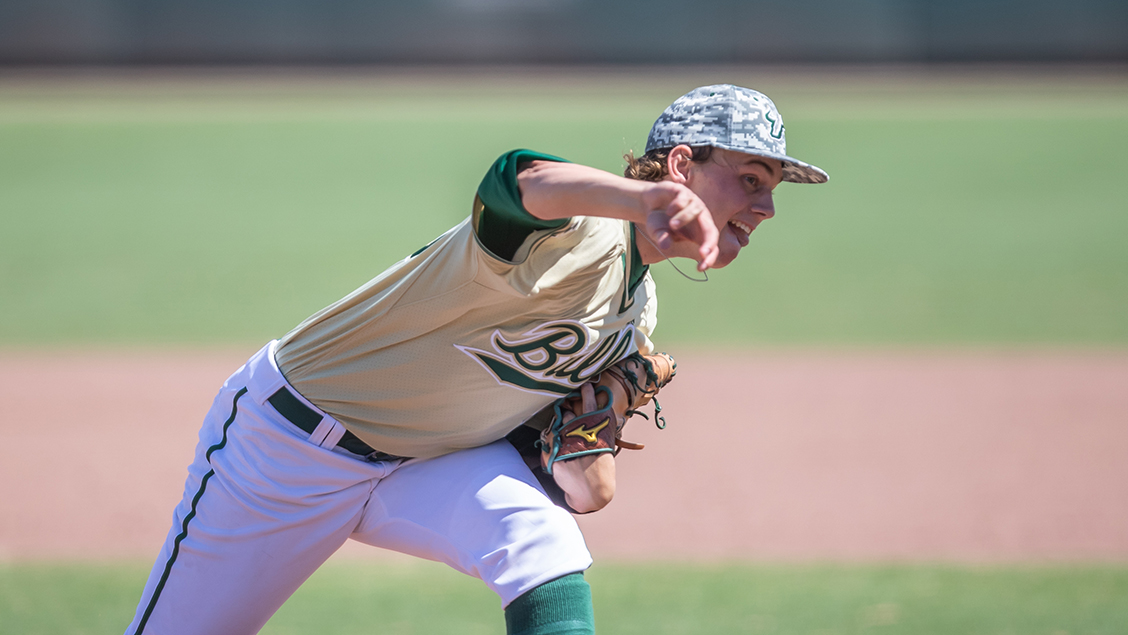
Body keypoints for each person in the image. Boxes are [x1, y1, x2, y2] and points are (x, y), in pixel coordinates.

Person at [125, 84, 828, 635]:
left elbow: (583, 487)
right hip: (286, 450)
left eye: (771, 188)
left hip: (420, 465)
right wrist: (643, 199)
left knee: (546, 544)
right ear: (682, 166)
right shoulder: (584, 228)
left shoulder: (634, 317)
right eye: (751, 178)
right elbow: (513, 181)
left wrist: (600, 423)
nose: (765, 205)